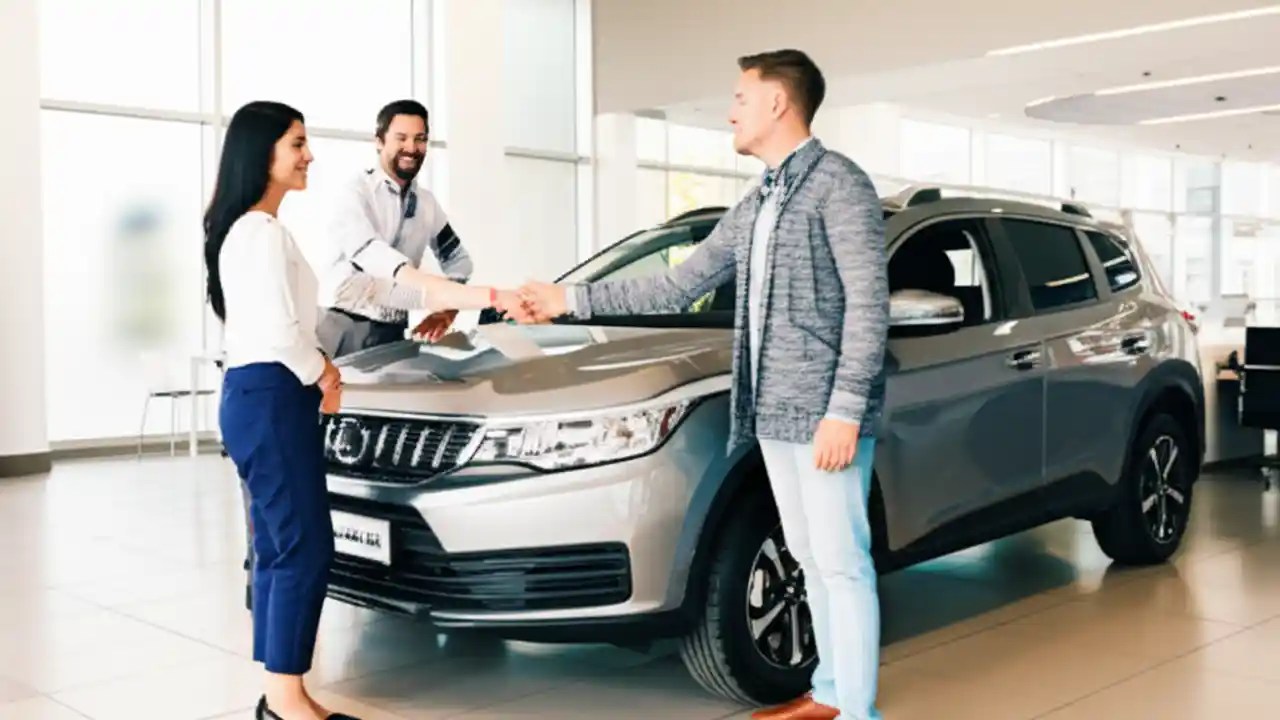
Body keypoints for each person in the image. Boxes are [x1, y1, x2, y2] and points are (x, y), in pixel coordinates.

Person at [516, 49, 889, 720]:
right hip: (772, 412)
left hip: (823, 413)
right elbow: (678, 283)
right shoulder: (762, 199)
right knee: (809, 555)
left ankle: (858, 712)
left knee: (842, 561)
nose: (730, 111)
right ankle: (830, 693)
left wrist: (845, 409)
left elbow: (869, 304)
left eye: (741, 98)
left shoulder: (841, 184)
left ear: (778, 103)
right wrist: (567, 300)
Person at [204, 100, 355, 720]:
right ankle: (288, 702)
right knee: (305, 546)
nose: (309, 154)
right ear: (261, 153)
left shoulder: (245, 229)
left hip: (255, 397)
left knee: (276, 545)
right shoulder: (259, 233)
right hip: (271, 396)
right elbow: (278, 329)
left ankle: (280, 695)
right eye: (297, 143)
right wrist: (323, 370)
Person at [316, 99, 474, 357]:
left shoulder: (427, 203)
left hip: (393, 331)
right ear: (379, 141)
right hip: (344, 325)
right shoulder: (355, 193)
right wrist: (433, 292)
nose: (411, 148)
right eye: (401, 138)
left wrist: (448, 309)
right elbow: (371, 254)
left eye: (420, 139)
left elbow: (460, 261)